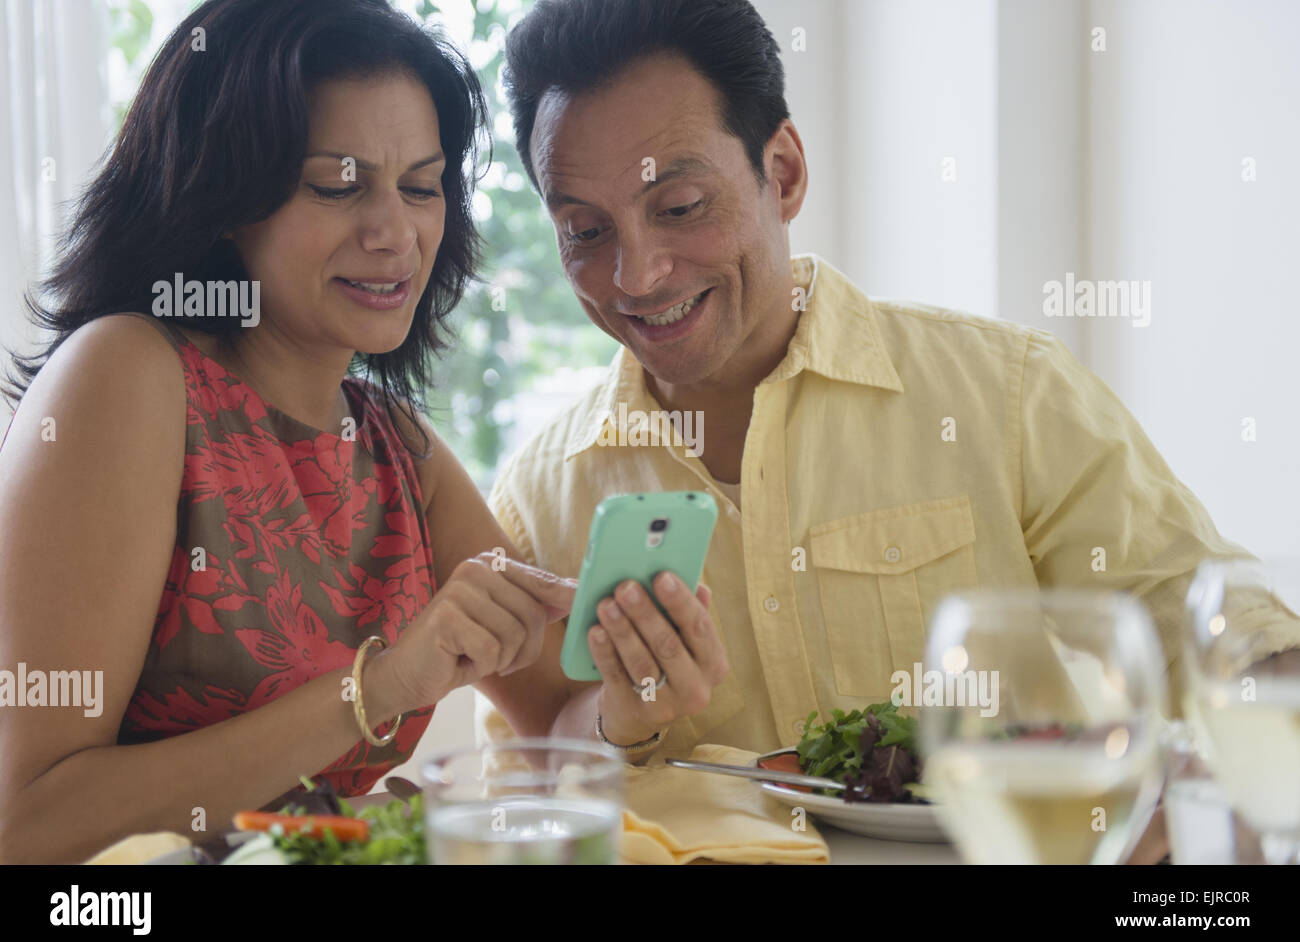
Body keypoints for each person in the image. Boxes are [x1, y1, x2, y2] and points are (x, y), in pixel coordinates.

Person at [471, 0, 1300, 850]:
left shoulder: (1007, 394)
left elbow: (1224, 644)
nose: (636, 273)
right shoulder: (538, 499)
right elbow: (525, 788)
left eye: (680, 205)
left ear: (784, 172)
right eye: (585, 231)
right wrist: (619, 721)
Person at [0, 0, 579, 864]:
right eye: (338, 185)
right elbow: (25, 824)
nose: (394, 231)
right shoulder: (126, 375)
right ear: (226, 196)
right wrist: (378, 686)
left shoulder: (397, 446)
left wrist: (635, 696)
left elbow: (559, 721)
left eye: (421, 187)